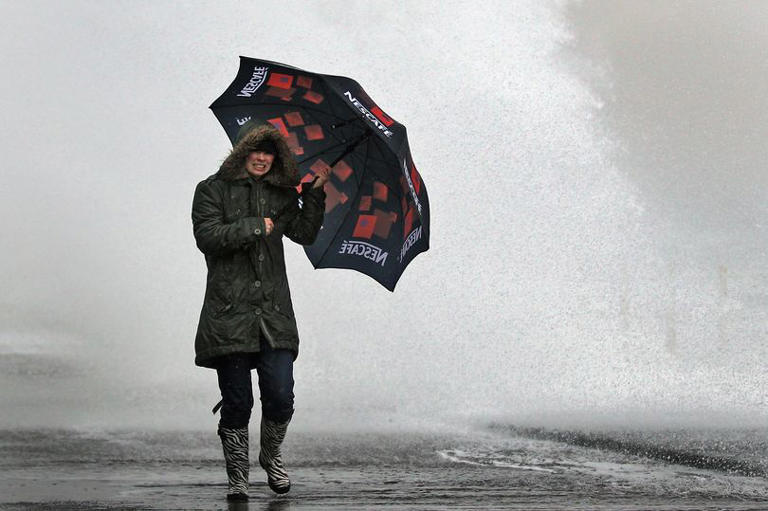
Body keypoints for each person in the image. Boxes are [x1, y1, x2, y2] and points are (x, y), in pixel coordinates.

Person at [191, 122, 329, 502]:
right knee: (238, 401)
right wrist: (255, 226)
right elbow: (207, 237)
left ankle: (270, 455)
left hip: (273, 313)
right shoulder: (211, 190)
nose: (263, 159)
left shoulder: (281, 194)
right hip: (229, 313)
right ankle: (238, 476)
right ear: (243, 152)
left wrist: (315, 195)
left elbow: (304, 233)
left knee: (281, 394)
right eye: (257, 151)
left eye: (270, 153)